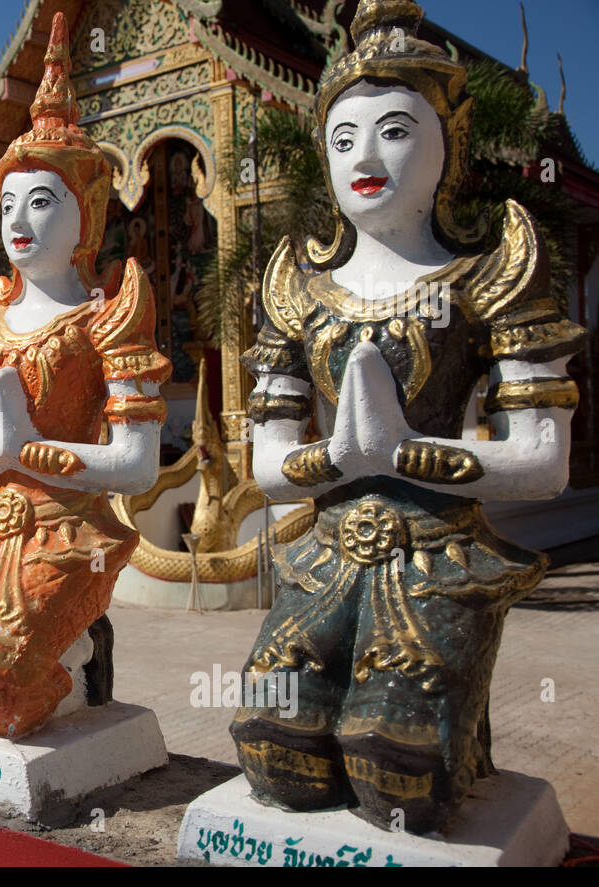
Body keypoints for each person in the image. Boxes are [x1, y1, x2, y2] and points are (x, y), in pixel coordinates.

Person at [231, 0, 584, 833]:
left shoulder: (487, 277)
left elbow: (544, 461)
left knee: (396, 767)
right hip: (322, 557)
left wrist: (404, 451)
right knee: (272, 741)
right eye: (344, 139)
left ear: (446, 143)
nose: (365, 157)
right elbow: (267, 464)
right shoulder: (297, 291)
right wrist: (343, 461)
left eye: (394, 131)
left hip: (438, 555)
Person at [0, 12, 170, 739]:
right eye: (9, 202)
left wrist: (44, 454)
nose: (19, 220)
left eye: (42, 202)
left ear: (89, 211)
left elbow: (137, 467)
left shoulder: (112, 318)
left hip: (72, 532)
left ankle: (68, 674)